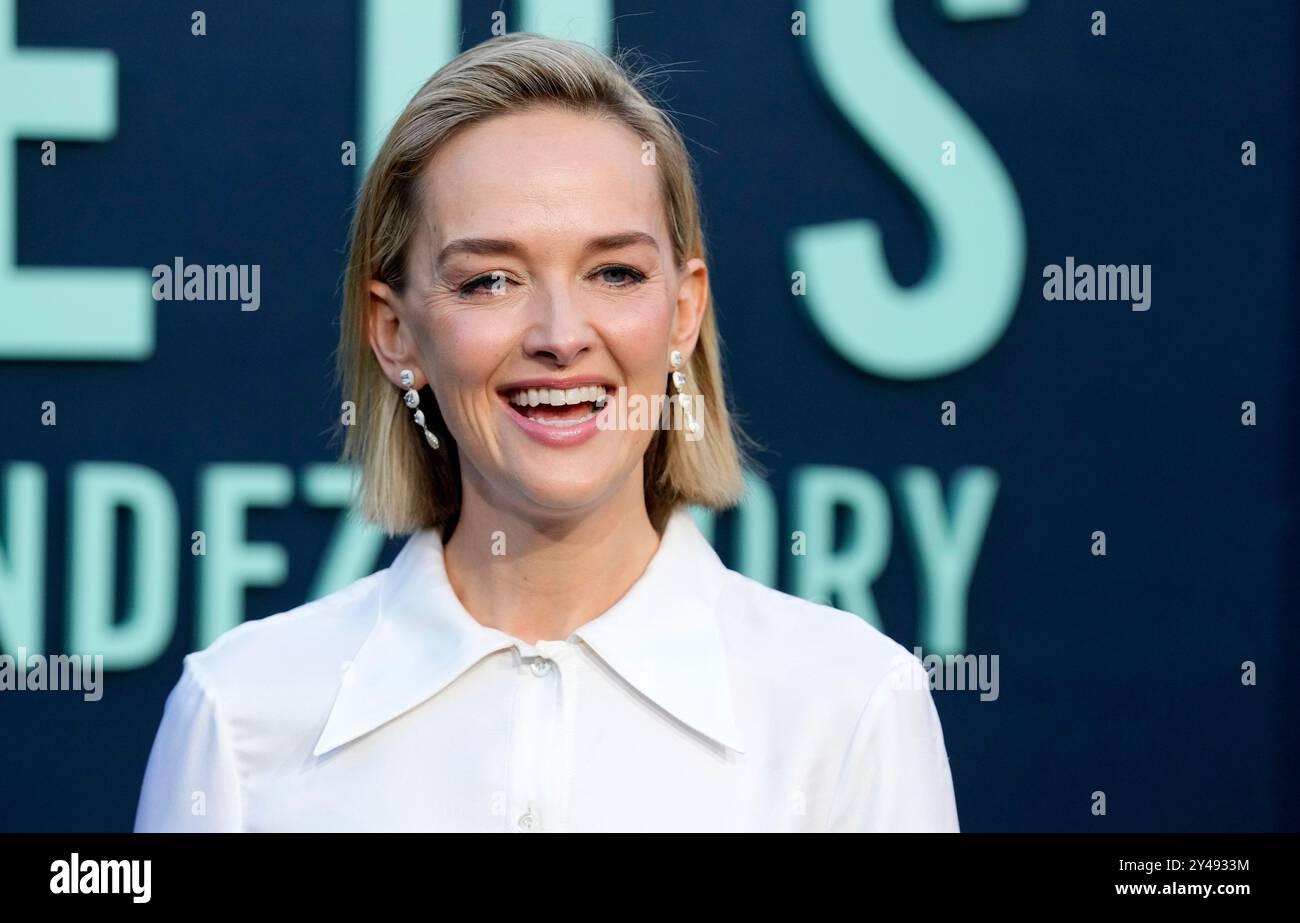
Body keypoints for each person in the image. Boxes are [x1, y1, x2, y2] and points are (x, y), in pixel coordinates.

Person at [133, 32, 959, 833]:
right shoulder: (239, 716)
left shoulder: (849, 707)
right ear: (396, 334)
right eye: (491, 279)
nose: (560, 334)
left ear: (683, 311)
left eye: (614, 273)